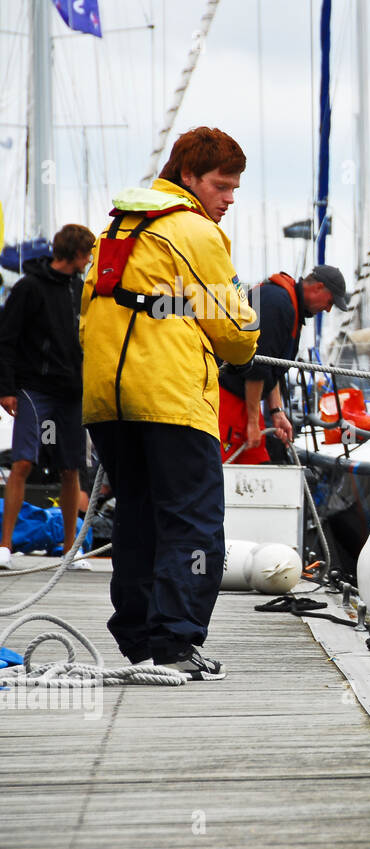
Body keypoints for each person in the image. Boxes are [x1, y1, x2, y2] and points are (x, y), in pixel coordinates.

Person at [80, 126, 259, 681]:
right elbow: (234, 330)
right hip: (171, 399)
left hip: (108, 401)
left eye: (233, 188)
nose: (229, 198)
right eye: (221, 185)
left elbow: (86, 319)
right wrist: (246, 334)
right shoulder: (194, 233)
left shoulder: (115, 230)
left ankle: (138, 638)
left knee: (137, 515)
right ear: (188, 178)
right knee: (193, 522)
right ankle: (177, 640)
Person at [0, 224, 97, 570]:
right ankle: (5, 547)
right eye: (87, 254)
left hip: (71, 391)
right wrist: (6, 388)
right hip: (34, 388)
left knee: (71, 469)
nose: (89, 260)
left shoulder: (79, 289)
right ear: (75, 254)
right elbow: (6, 337)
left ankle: (71, 550)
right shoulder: (29, 287)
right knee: (23, 462)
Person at [217, 265, 348, 464]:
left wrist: (276, 412)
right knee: (221, 473)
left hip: (246, 404)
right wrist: (252, 423)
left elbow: (271, 367)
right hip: (226, 403)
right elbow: (257, 367)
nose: (328, 309)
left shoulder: (288, 304)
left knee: (261, 467)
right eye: (330, 302)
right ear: (318, 288)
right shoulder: (277, 302)